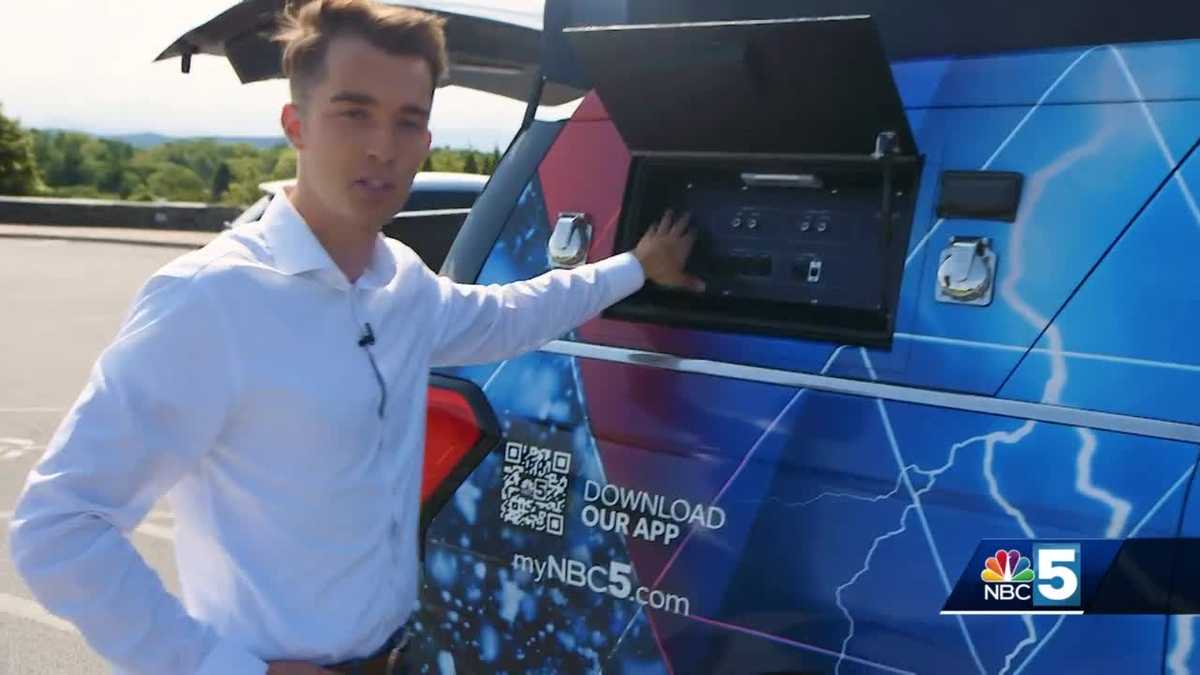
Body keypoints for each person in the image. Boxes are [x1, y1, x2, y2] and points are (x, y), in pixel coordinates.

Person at [7, 1, 703, 674]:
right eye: (353, 112)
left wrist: (637, 265)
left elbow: (509, 314)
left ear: (427, 141)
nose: (382, 146)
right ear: (296, 123)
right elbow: (60, 525)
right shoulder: (211, 300)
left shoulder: (400, 282)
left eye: (408, 121)